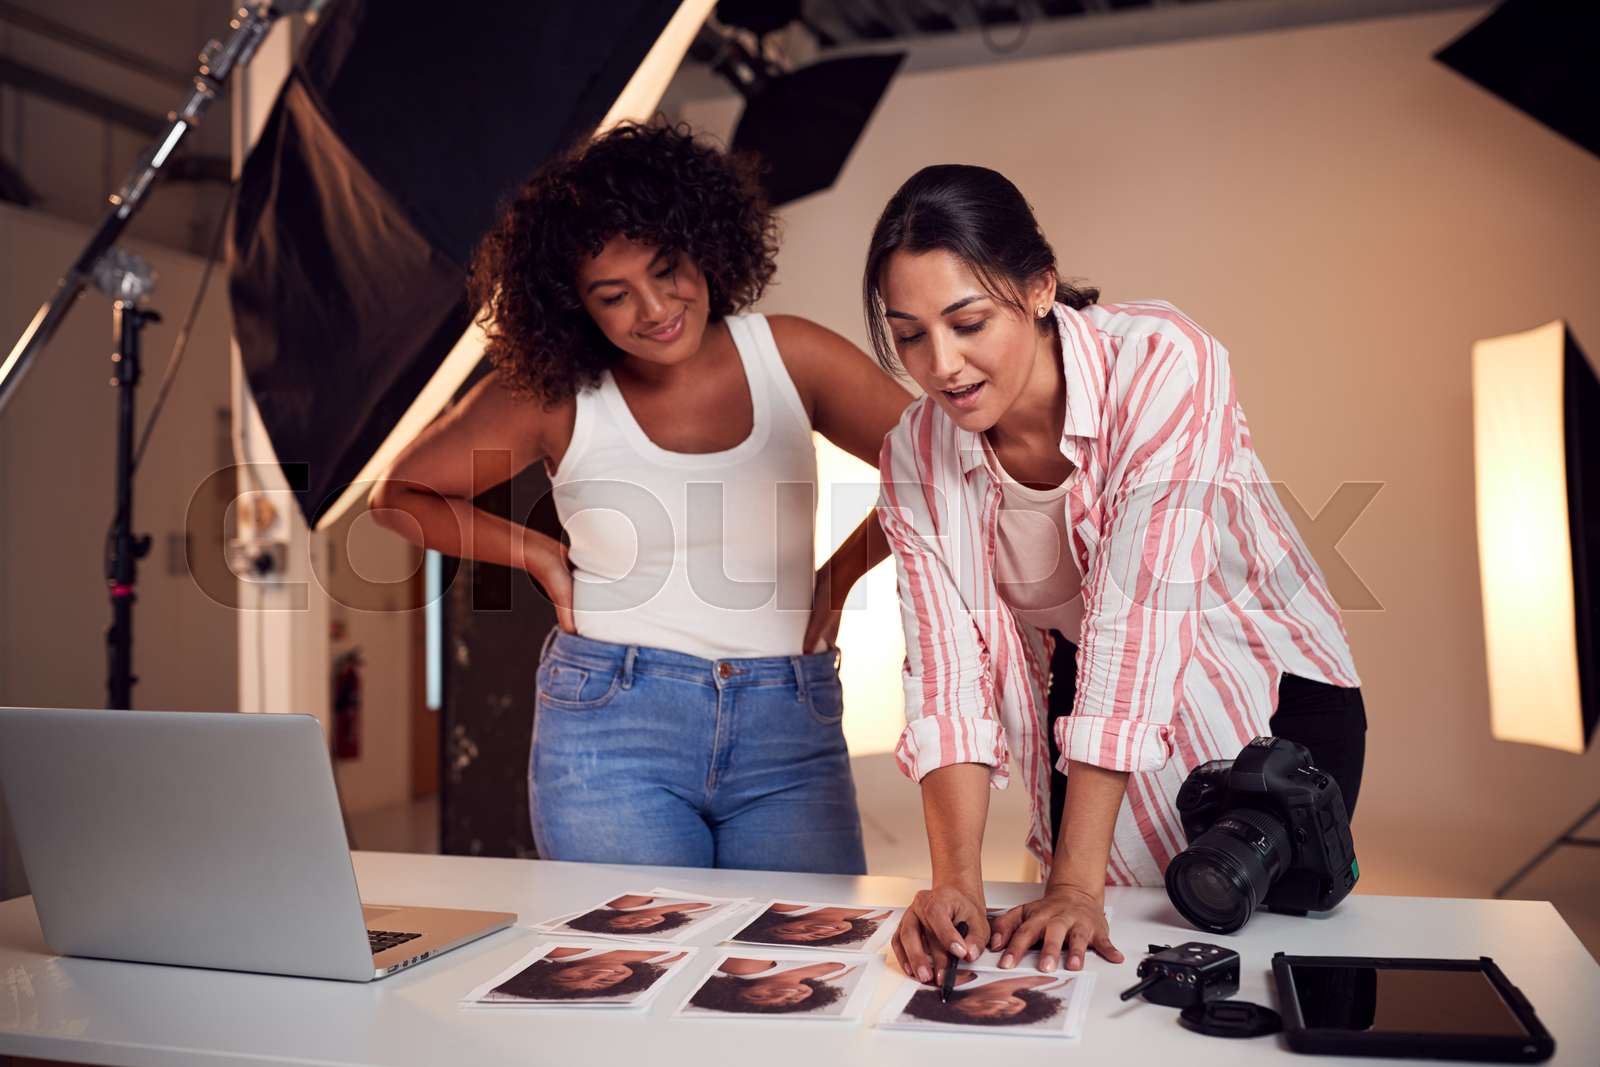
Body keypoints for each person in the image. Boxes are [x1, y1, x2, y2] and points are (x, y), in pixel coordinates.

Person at [864, 164, 1367, 985]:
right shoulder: (914, 454)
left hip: (1269, 701)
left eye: (968, 321)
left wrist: (1073, 880)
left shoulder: (1165, 363)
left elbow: (1138, 619)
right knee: (1090, 971)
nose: (942, 364)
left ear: (1038, 288)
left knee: (1225, 958)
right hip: (1087, 701)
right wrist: (955, 883)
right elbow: (947, 674)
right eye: (910, 333)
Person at [369, 121, 910, 873]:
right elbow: (399, 496)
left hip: (787, 722)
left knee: (808, 975)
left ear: (706, 244)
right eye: (614, 295)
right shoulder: (556, 397)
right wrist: (537, 554)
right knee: (635, 971)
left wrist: (841, 573)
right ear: (572, 304)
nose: (656, 308)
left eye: (668, 268)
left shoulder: (792, 355)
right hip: (613, 729)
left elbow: (942, 464)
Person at [486, 946, 685, 1001]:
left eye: (571, 977)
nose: (599, 973)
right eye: (604, 981)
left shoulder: (560, 951)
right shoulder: (669, 964)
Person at [689, 958, 856, 1014]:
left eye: (758, 996)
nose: (783, 994)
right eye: (790, 1001)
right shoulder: (835, 975)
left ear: (737, 990)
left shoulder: (744, 967)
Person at [901, 973, 1065, 1027]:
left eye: (972, 1011)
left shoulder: (949, 976)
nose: (994, 1009)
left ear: (952, 1004)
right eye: (1004, 1015)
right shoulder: (1055, 984)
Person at [735, 903, 891, 948]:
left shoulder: (785, 906)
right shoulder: (879, 916)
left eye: (788, 930)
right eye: (813, 938)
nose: (817, 931)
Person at [563, 894, 711, 935]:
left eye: (621, 923)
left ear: (610, 916)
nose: (637, 922)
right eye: (639, 927)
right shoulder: (694, 914)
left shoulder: (625, 904)